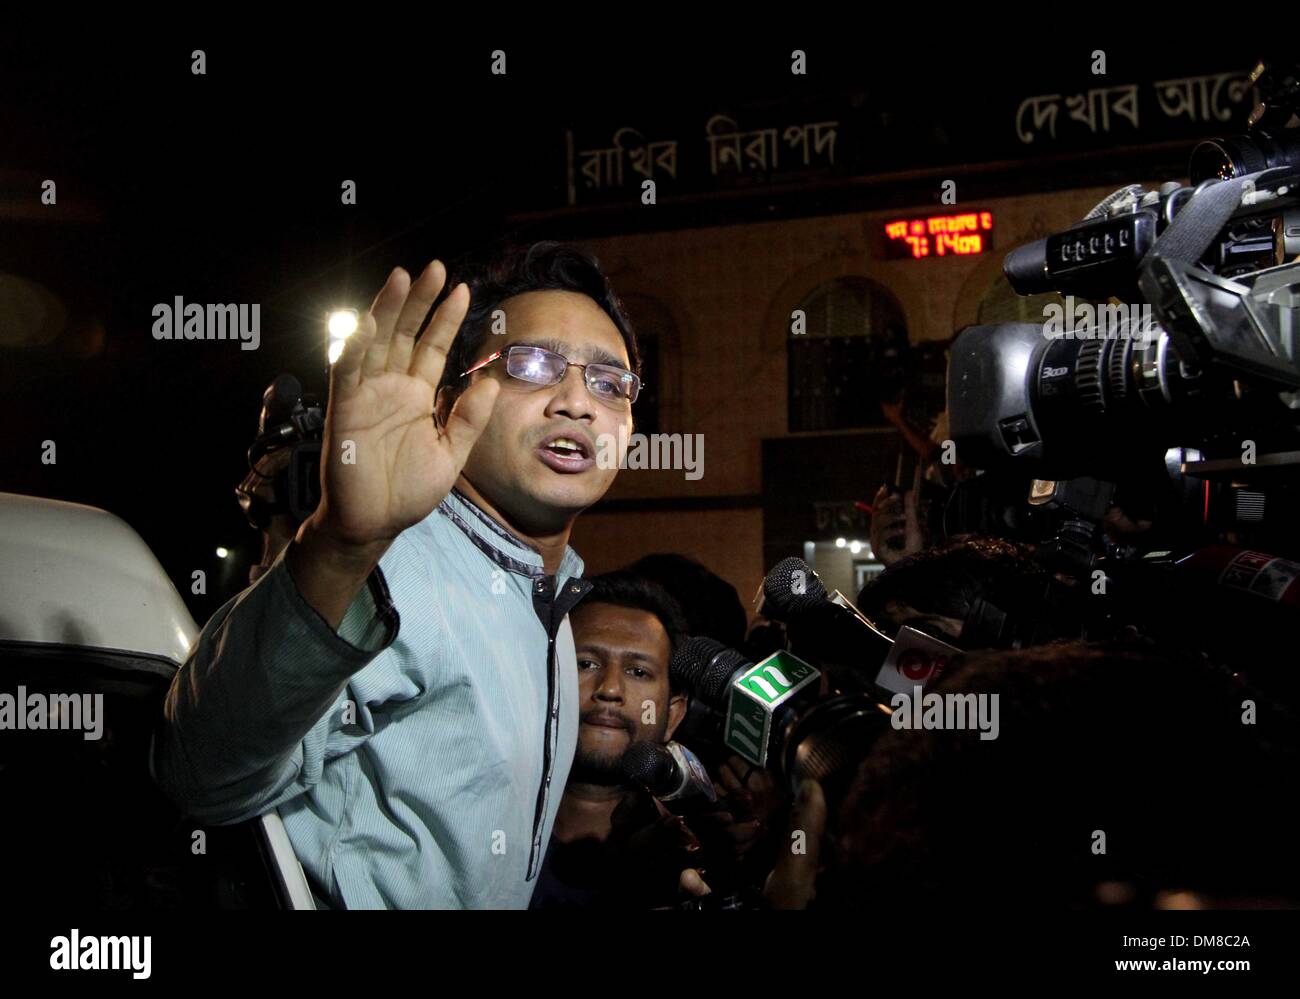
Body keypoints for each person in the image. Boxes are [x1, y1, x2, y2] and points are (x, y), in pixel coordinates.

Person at [152, 242, 642, 908]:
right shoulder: (391, 566)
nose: (578, 402)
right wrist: (340, 548)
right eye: (533, 364)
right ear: (448, 400)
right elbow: (202, 774)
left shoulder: (551, 601)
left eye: (610, 383)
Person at [530, 570, 696, 908]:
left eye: (638, 672)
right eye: (586, 663)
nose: (609, 689)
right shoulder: (476, 829)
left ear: (673, 714)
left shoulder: (698, 852)